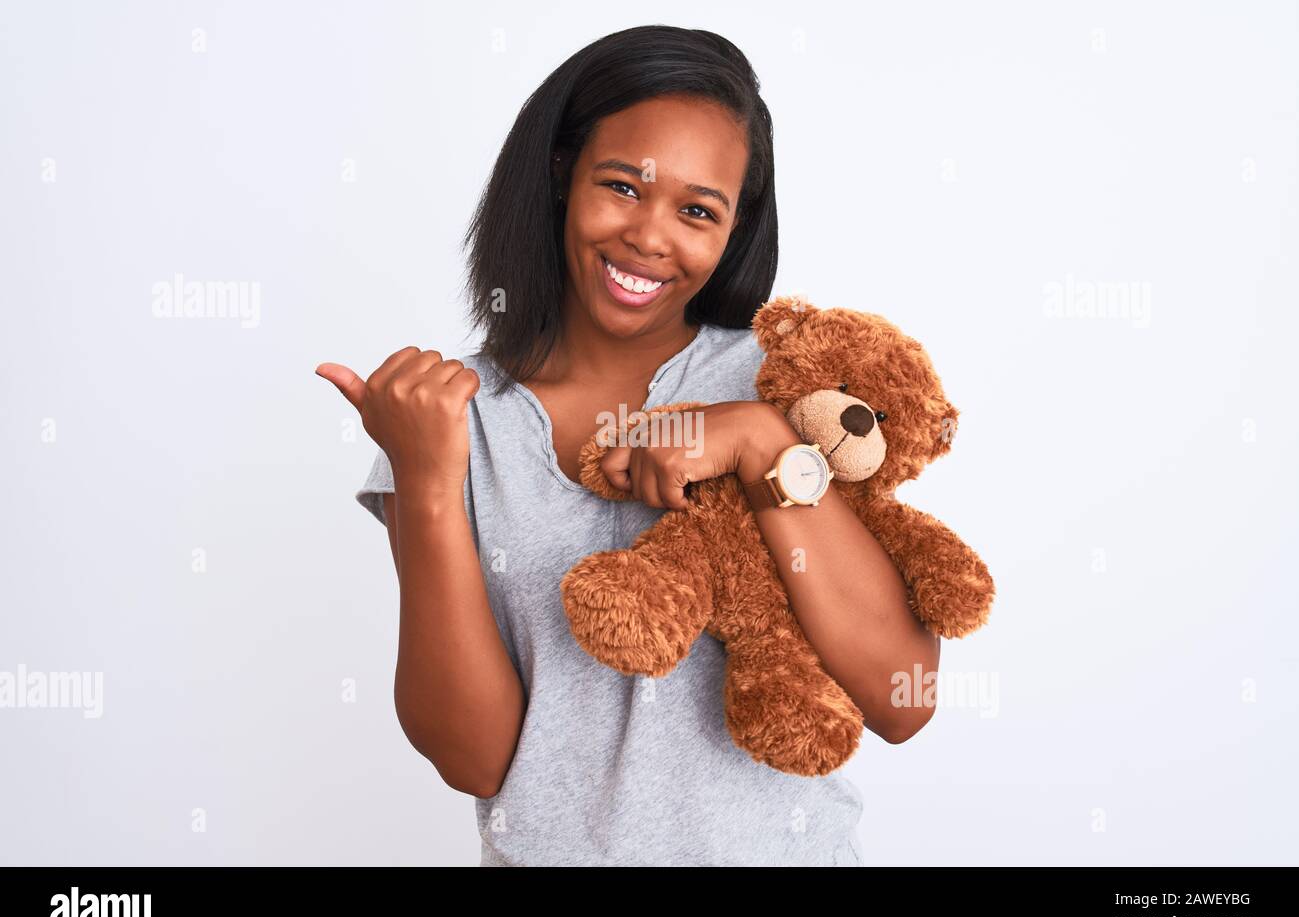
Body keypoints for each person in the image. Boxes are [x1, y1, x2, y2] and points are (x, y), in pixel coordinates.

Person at [317, 26, 935, 866]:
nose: (651, 236)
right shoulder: (451, 420)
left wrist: (758, 442)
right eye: (622, 186)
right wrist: (427, 484)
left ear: (733, 229)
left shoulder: (789, 383)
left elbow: (904, 696)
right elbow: (475, 757)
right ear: (560, 173)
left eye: (696, 211)